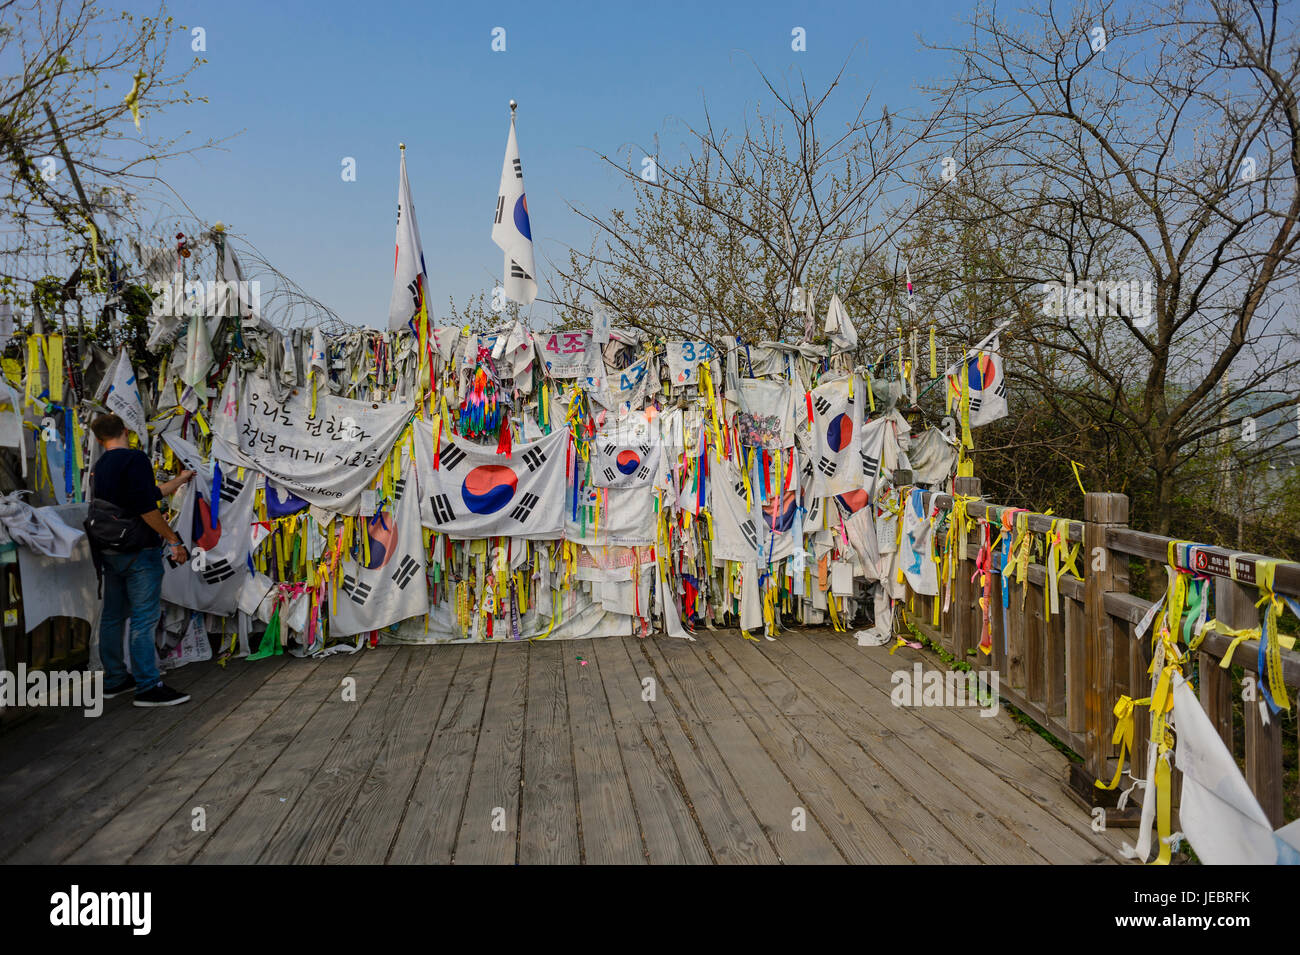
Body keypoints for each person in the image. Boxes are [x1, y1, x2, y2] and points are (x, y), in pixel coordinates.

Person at [89, 413, 196, 707]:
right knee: (143, 619)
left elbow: (147, 494)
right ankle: (148, 686)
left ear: (99, 440)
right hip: (139, 550)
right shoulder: (134, 460)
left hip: (110, 550)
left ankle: (115, 679)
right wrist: (173, 539)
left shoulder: (100, 466)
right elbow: (146, 508)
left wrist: (180, 480)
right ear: (126, 431)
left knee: (113, 616)